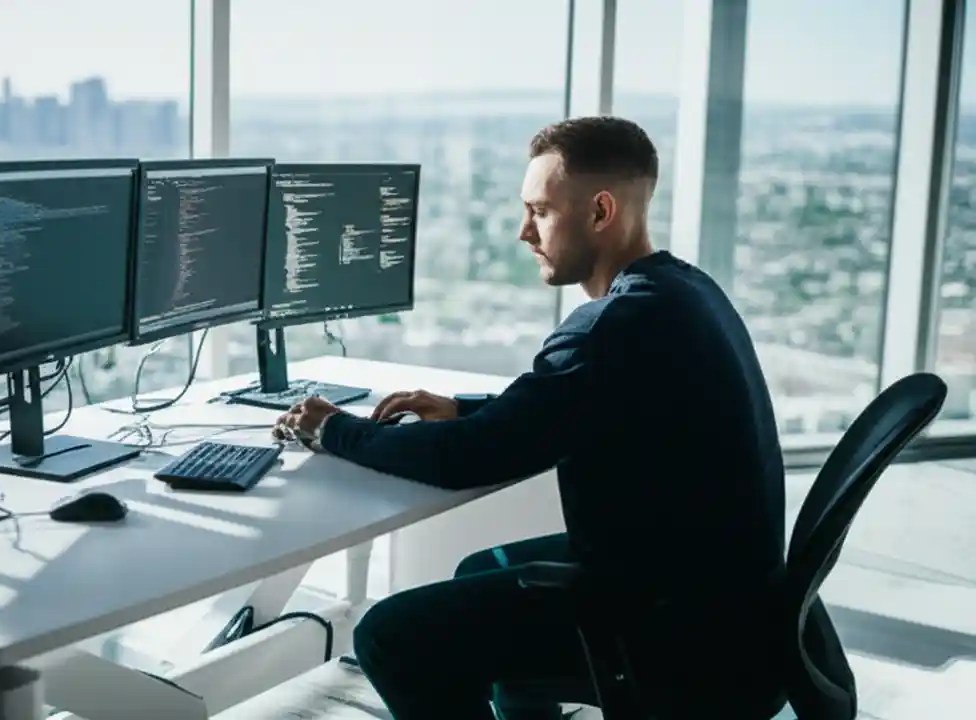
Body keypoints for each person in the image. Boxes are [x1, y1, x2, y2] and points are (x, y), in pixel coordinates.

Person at [273, 116, 787, 719]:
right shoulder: (685, 291)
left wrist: (331, 429)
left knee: (390, 636)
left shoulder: (609, 330)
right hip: (724, 600)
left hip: (672, 628)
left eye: (539, 211)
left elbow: (464, 459)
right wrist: (461, 409)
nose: (523, 232)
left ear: (600, 212)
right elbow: (576, 407)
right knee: (475, 572)